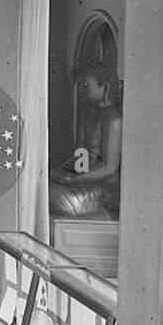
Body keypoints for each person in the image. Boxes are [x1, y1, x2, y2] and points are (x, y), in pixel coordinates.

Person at [50, 61, 122, 215]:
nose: (80, 91)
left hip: (106, 188)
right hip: (84, 179)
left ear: (105, 87)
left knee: (56, 197)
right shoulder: (88, 114)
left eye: (85, 85)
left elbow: (109, 167)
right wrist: (64, 172)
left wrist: (76, 179)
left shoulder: (113, 120)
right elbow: (82, 154)